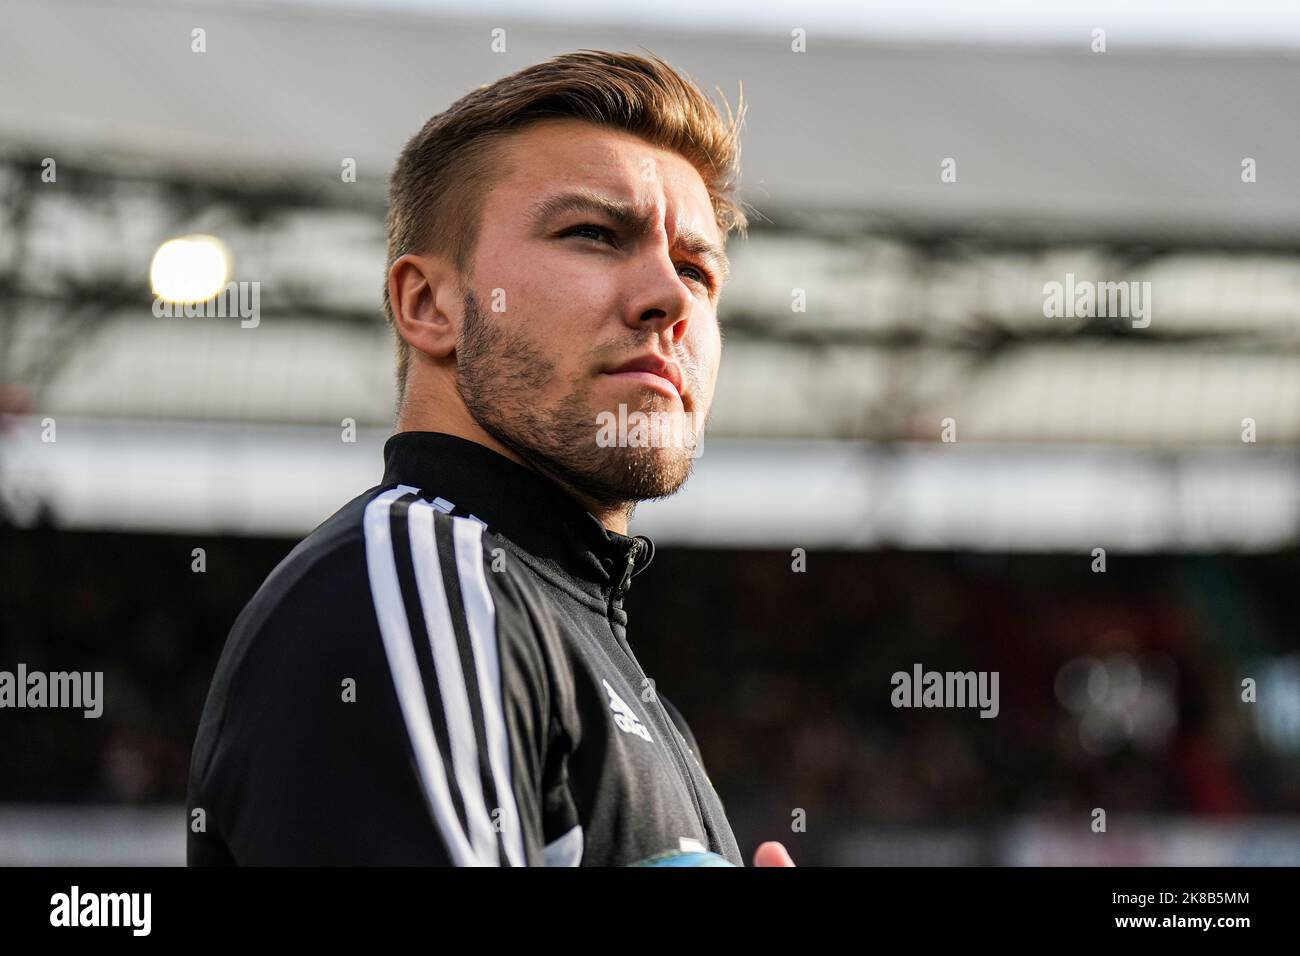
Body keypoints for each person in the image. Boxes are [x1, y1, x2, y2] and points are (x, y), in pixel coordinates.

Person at [187, 49, 793, 867]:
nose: (671, 299)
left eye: (696, 268)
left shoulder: (573, 634)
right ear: (429, 305)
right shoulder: (422, 580)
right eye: (593, 234)